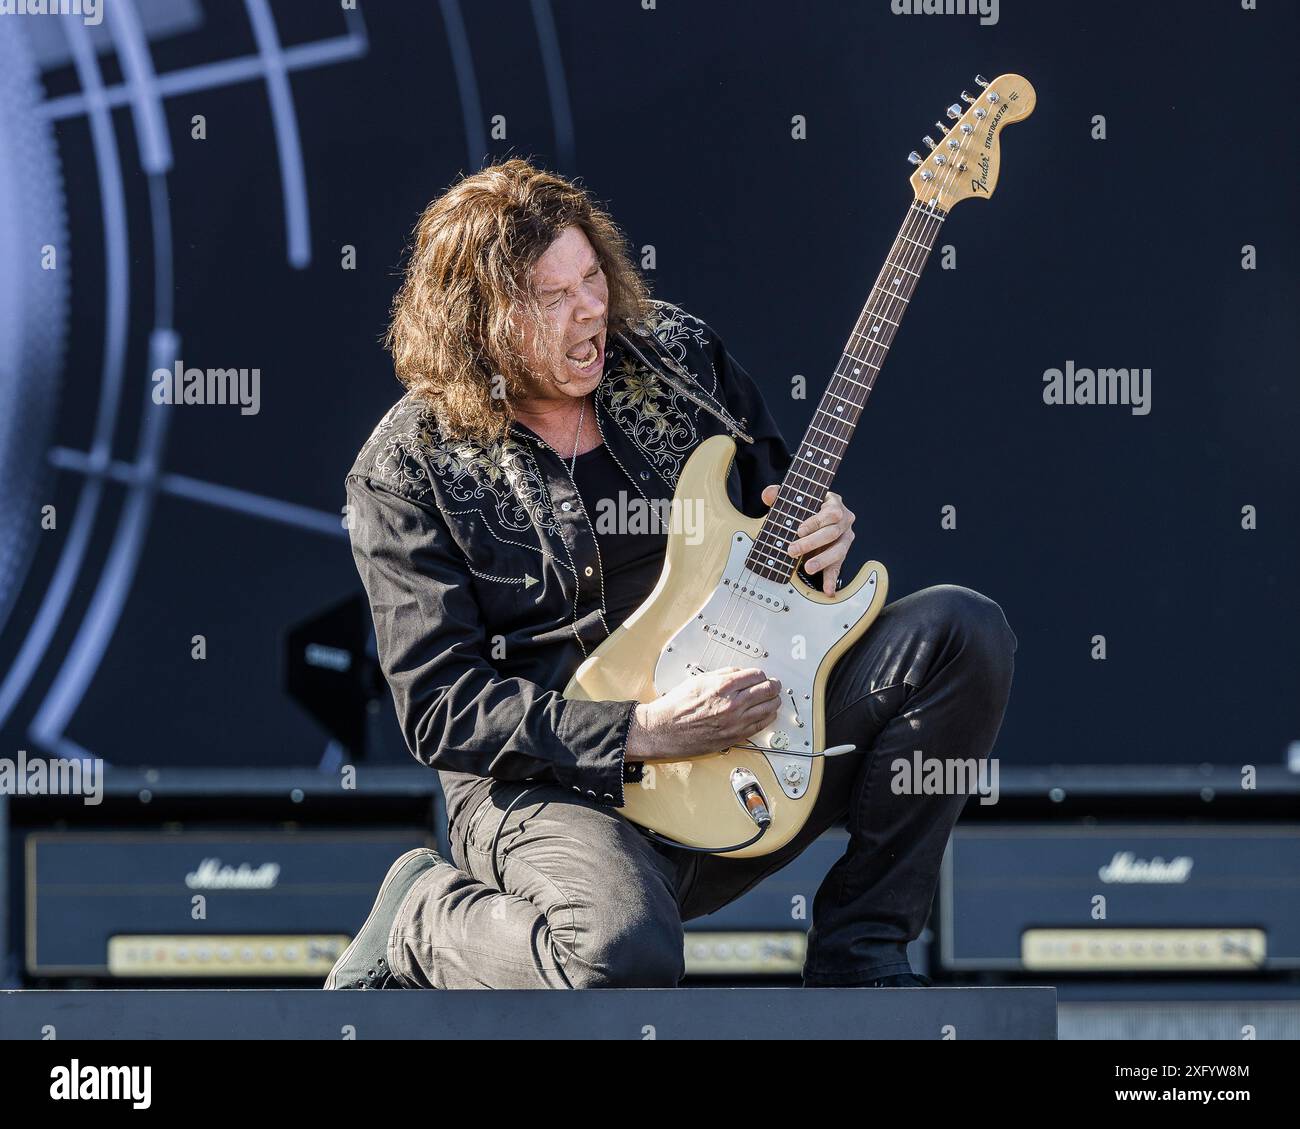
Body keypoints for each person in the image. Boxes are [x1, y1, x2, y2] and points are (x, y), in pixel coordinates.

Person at [325, 157, 1017, 990]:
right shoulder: (404, 469)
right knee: (621, 957)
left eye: (592, 278)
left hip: (745, 726)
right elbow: (443, 707)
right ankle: (422, 914)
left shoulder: (677, 357)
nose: (592, 311)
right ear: (478, 327)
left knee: (960, 632)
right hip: (548, 791)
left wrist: (818, 546)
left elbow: (779, 521)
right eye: (554, 297)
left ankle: (861, 949)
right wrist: (641, 730)